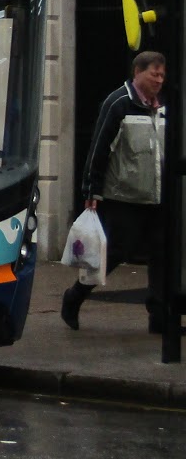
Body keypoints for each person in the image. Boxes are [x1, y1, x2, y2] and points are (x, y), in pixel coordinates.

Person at [64, 50, 167, 332]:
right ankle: (75, 296)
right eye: (153, 74)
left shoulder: (164, 105)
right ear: (138, 72)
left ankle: (158, 317)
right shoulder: (119, 103)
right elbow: (99, 147)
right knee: (116, 252)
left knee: (162, 254)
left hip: (157, 196)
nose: (159, 80)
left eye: (162, 74)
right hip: (124, 197)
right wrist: (91, 189)